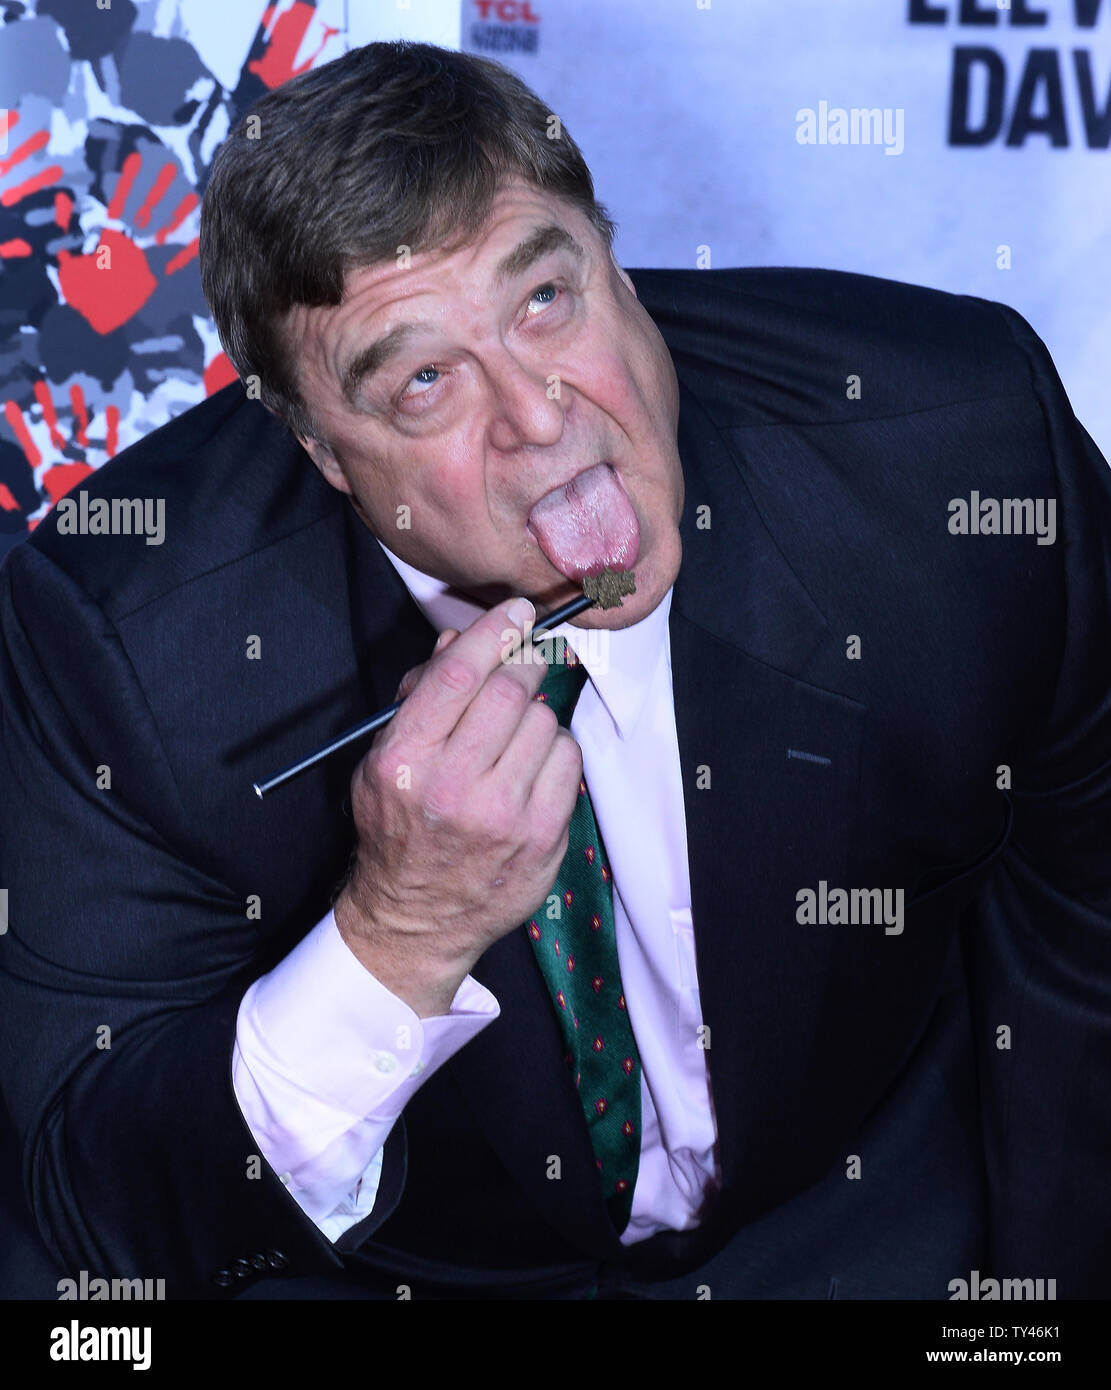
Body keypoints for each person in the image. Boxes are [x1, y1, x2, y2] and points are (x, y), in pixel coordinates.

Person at [1, 40, 1108, 1302]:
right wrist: (396, 934)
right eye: (424, 380)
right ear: (318, 448)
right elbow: (92, 1193)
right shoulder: (122, 638)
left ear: (612, 255)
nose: (538, 417)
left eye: (545, 300)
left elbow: (1082, 932)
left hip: (861, 1231)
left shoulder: (950, 449)